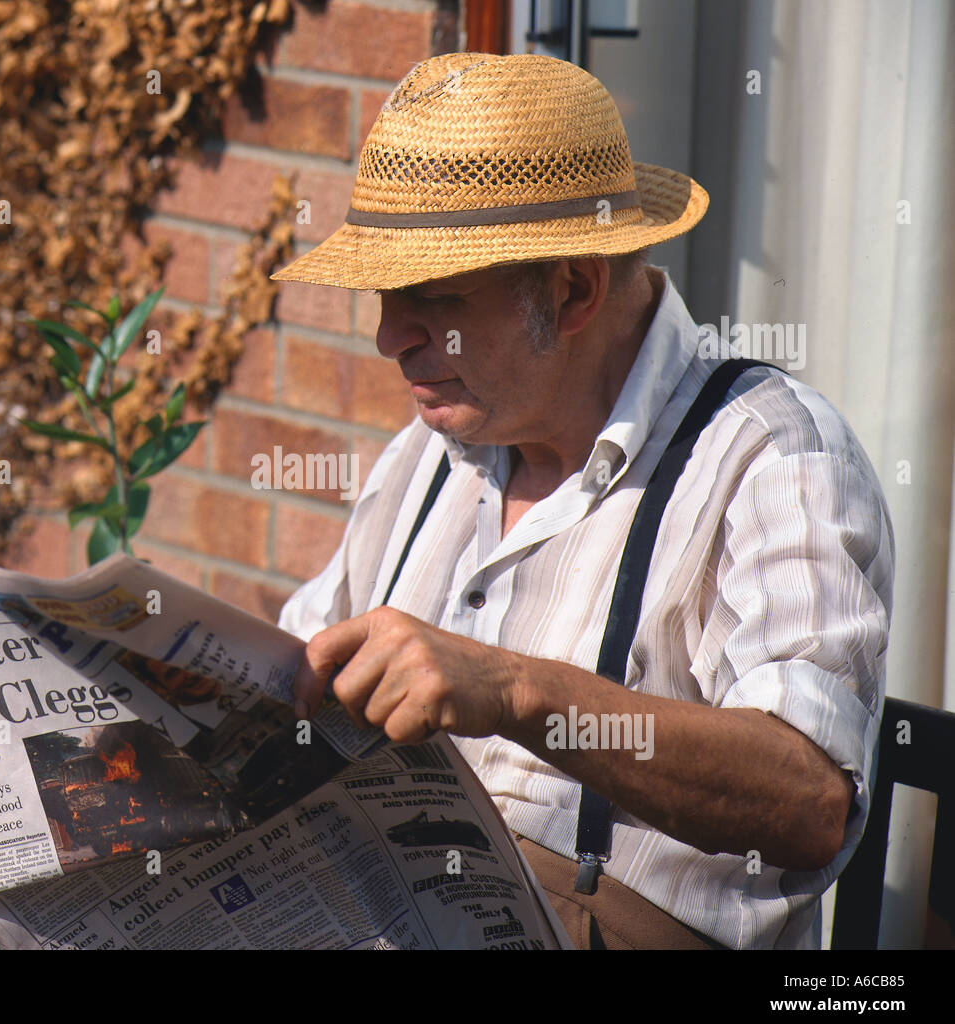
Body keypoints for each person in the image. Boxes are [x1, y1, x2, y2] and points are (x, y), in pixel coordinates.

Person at [270, 53, 894, 949]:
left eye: (433, 300)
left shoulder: (773, 454)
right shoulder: (435, 449)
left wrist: (518, 690)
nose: (388, 339)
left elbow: (808, 799)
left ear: (572, 289)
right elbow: (301, 662)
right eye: (384, 298)